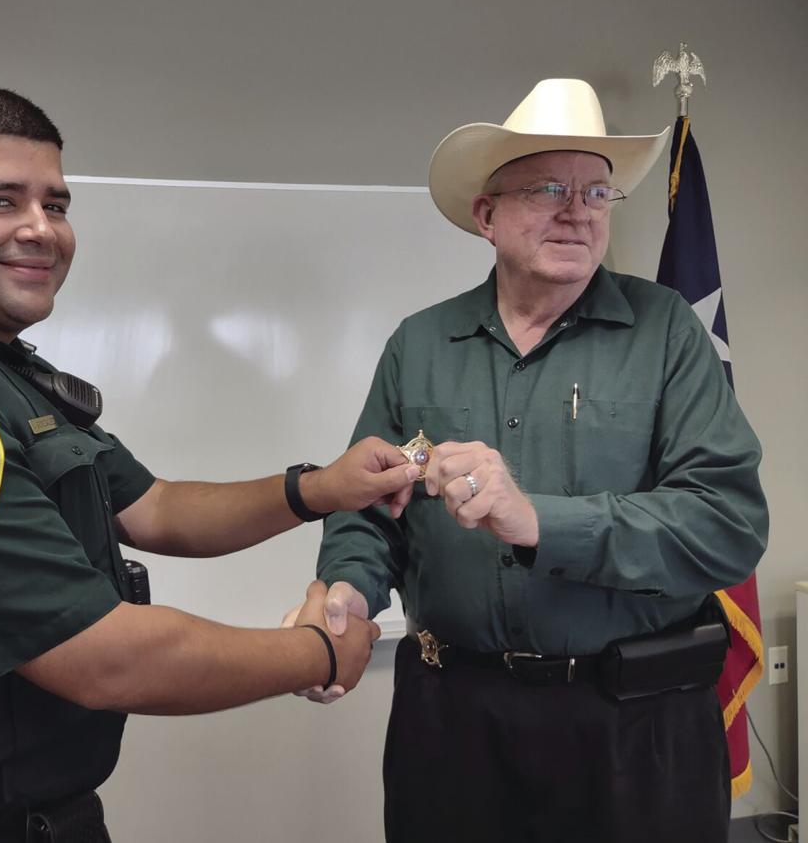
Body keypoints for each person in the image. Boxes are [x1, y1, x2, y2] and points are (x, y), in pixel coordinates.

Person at [0, 86, 415, 843]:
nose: (40, 230)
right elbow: (104, 660)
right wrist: (321, 651)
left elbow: (155, 507)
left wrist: (322, 487)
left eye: (55, 205)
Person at [288, 78, 768, 842]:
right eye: (549, 188)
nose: (578, 210)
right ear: (488, 215)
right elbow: (370, 505)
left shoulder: (668, 331)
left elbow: (727, 524)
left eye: (597, 192)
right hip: (452, 725)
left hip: (635, 730)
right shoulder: (419, 346)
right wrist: (344, 591)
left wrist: (538, 518)